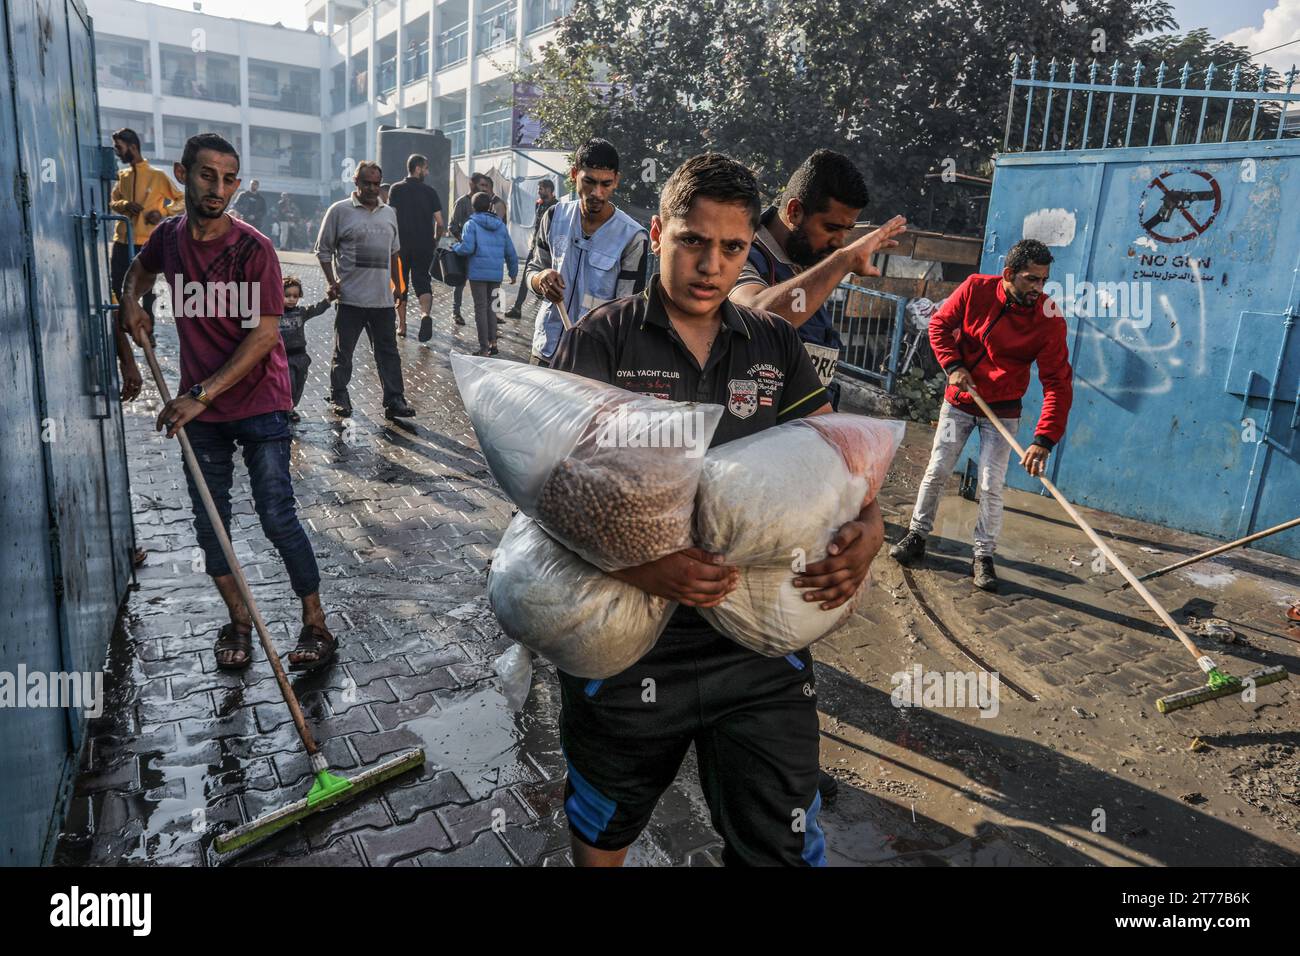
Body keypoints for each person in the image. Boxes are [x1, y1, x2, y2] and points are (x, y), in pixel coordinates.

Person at [548, 152, 884, 866]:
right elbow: (555, 495)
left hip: (758, 639)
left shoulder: (773, 344)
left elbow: (834, 459)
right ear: (662, 231)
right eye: (694, 241)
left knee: (779, 839)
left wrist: (872, 527)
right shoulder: (599, 341)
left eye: (733, 248)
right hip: (629, 641)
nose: (712, 265)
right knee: (605, 826)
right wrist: (645, 565)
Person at [119, 132, 338, 673]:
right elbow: (137, 275)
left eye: (228, 178)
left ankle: (315, 622)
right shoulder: (168, 240)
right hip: (202, 413)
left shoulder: (253, 247)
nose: (218, 188)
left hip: (259, 401)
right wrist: (130, 303)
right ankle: (238, 621)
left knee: (276, 515)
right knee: (210, 524)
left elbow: (265, 335)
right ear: (183, 174)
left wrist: (198, 395)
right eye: (207, 175)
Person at [889, 238, 1074, 591]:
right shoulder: (976, 289)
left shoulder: (1048, 319)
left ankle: (983, 556)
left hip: (1002, 413)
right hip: (959, 402)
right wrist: (954, 365)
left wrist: (1044, 440)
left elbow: (1058, 383)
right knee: (937, 470)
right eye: (1031, 280)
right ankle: (916, 535)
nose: (1039, 288)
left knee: (991, 486)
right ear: (1008, 275)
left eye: (1044, 281)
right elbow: (940, 325)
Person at [728, 149, 907, 410]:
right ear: (795, 212)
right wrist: (843, 260)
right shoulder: (738, 253)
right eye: (831, 228)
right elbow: (758, 316)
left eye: (847, 230)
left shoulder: (807, 264)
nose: (839, 242)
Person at [529, 138, 649, 367]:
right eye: (590, 182)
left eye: (606, 184)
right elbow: (534, 269)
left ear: (616, 181)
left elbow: (627, 313)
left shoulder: (632, 237)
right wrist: (539, 279)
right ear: (574, 174)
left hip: (593, 361)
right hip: (545, 349)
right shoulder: (554, 217)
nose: (597, 192)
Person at [315, 160, 415, 421]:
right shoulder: (339, 211)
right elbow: (323, 250)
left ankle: (395, 400)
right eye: (366, 183)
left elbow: (395, 254)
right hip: (350, 299)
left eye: (376, 183)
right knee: (344, 352)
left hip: (382, 300)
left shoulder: (389, 213)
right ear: (356, 182)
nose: (371, 188)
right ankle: (339, 395)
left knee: (388, 353)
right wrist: (331, 281)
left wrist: (399, 287)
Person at [108, 127, 183, 404]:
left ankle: (146, 333)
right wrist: (124, 205)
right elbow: (113, 201)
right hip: (122, 239)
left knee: (148, 292)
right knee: (119, 291)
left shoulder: (158, 176)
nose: (117, 152)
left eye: (119, 147)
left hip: (146, 243)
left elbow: (180, 200)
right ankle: (123, 331)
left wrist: (161, 212)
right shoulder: (122, 176)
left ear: (131, 145)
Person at [451, 191, 518, 356]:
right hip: (496, 275)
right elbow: (510, 251)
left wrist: (455, 248)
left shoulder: (471, 224)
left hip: (477, 274)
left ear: (473, 207)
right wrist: (513, 272)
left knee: (480, 308)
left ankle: (483, 347)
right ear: (490, 206)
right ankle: (493, 343)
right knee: (493, 308)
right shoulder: (501, 225)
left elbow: (467, 248)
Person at [387, 153, 445, 340]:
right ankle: (425, 315)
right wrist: (435, 240)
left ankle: (402, 325)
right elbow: (440, 223)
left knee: (400, 283)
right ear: (418, 168)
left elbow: (391, 218)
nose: (427, 172)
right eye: (426, 168)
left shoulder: (395, 189)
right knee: (423, 282)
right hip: (424, 245)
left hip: (400, 246)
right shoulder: (430, 192)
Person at [448, 172, 506, 326]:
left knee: (489, 287)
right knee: (460, 283)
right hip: (466, 252)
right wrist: (465, 242)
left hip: (483, 255)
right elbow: (452, 227)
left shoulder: (490, 204)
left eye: (486, 186)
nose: (485, 189)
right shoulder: (461, 203)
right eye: (482, 185)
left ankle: (492, 315)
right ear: (472, 185)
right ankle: (456, 313)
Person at [279, 276, 336, 423]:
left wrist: (329, 299)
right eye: (287, 295)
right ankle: (287, 409)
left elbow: (317, 309)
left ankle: (292, 406)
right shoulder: (275, 315)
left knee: (299, 385)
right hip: (284, 358)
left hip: (301, 357)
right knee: (289, 384)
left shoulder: (301, 312)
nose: (291, 299)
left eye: (295, 296)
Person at [503, 177, 557, 320]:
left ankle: (548, 310)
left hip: (550, 251)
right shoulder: (538, 204)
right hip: (535, 248)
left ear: (550, 190)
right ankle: (517, 307)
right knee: (526, 277)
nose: (539, 191)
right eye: (539, 189)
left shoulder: (557, 208)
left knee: (549, 280)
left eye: (542, 189)